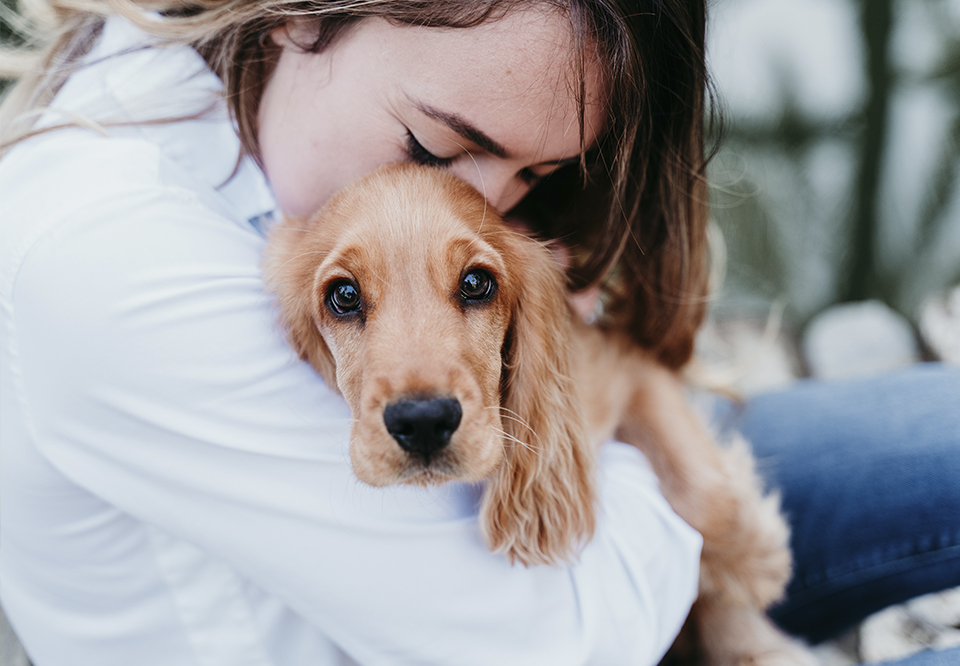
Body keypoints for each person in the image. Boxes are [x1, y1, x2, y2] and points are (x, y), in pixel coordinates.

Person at [0, 1, 957, 665]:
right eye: (435, 147)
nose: (490, 210)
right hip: (569, 606)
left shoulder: (232, 82)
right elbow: (566, 642)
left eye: (534, 176)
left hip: (596, 517)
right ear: (300, 10)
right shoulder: (112, 264)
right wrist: (671, 467)